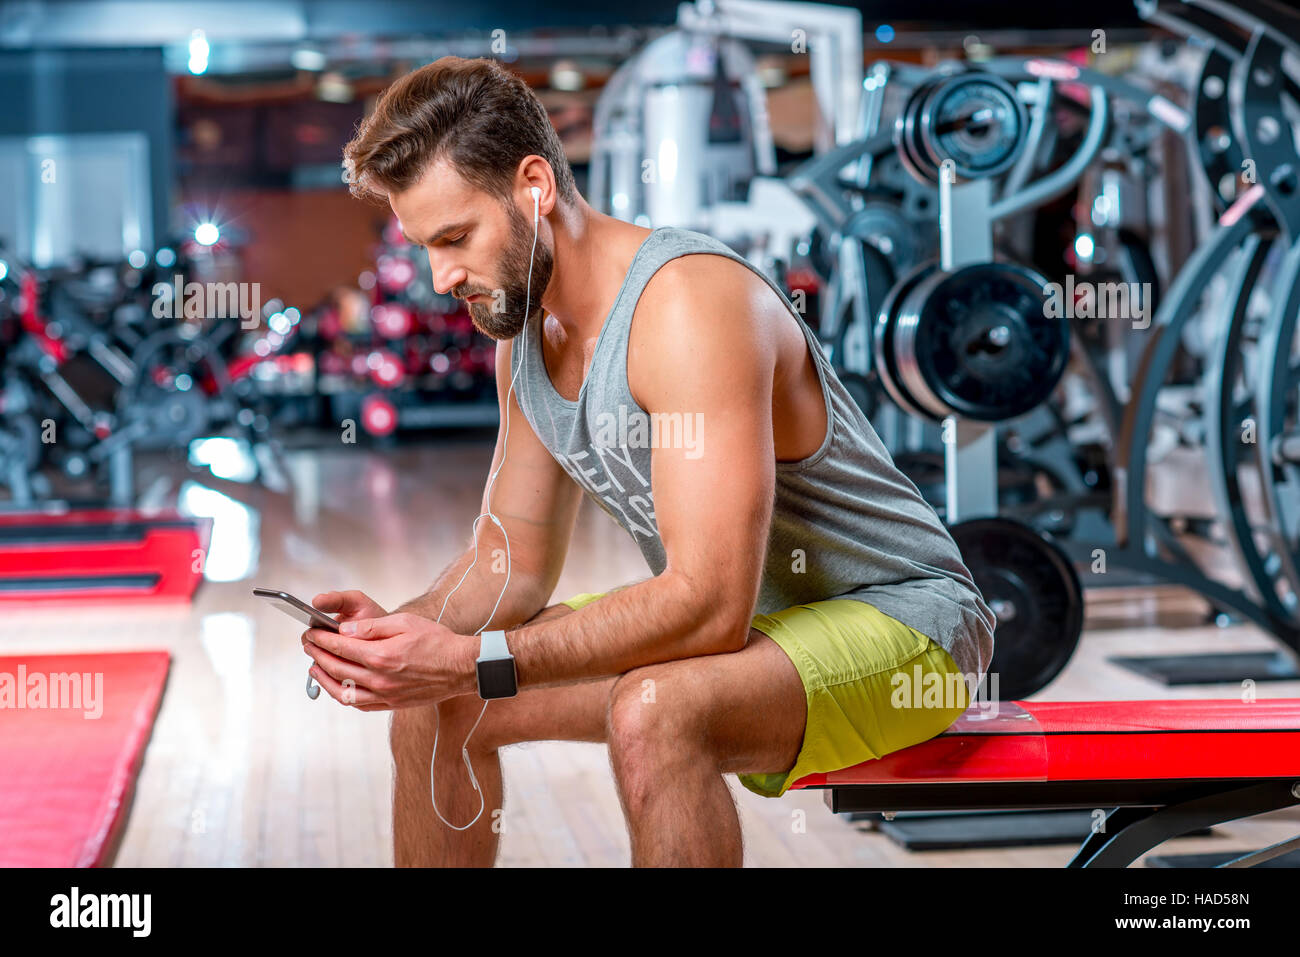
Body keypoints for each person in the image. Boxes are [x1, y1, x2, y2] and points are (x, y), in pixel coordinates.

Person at [300, 55, 995, 867]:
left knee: (655, 707)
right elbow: (510, 560)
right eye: (425, 246)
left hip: (910, 623)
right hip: (752, 634)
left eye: (456, 237)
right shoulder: (522, 338)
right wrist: (399, 635)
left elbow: (706, 607)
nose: (440, 276)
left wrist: (472, 657)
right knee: (438, 704)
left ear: (535, 186)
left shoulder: (689, 305)